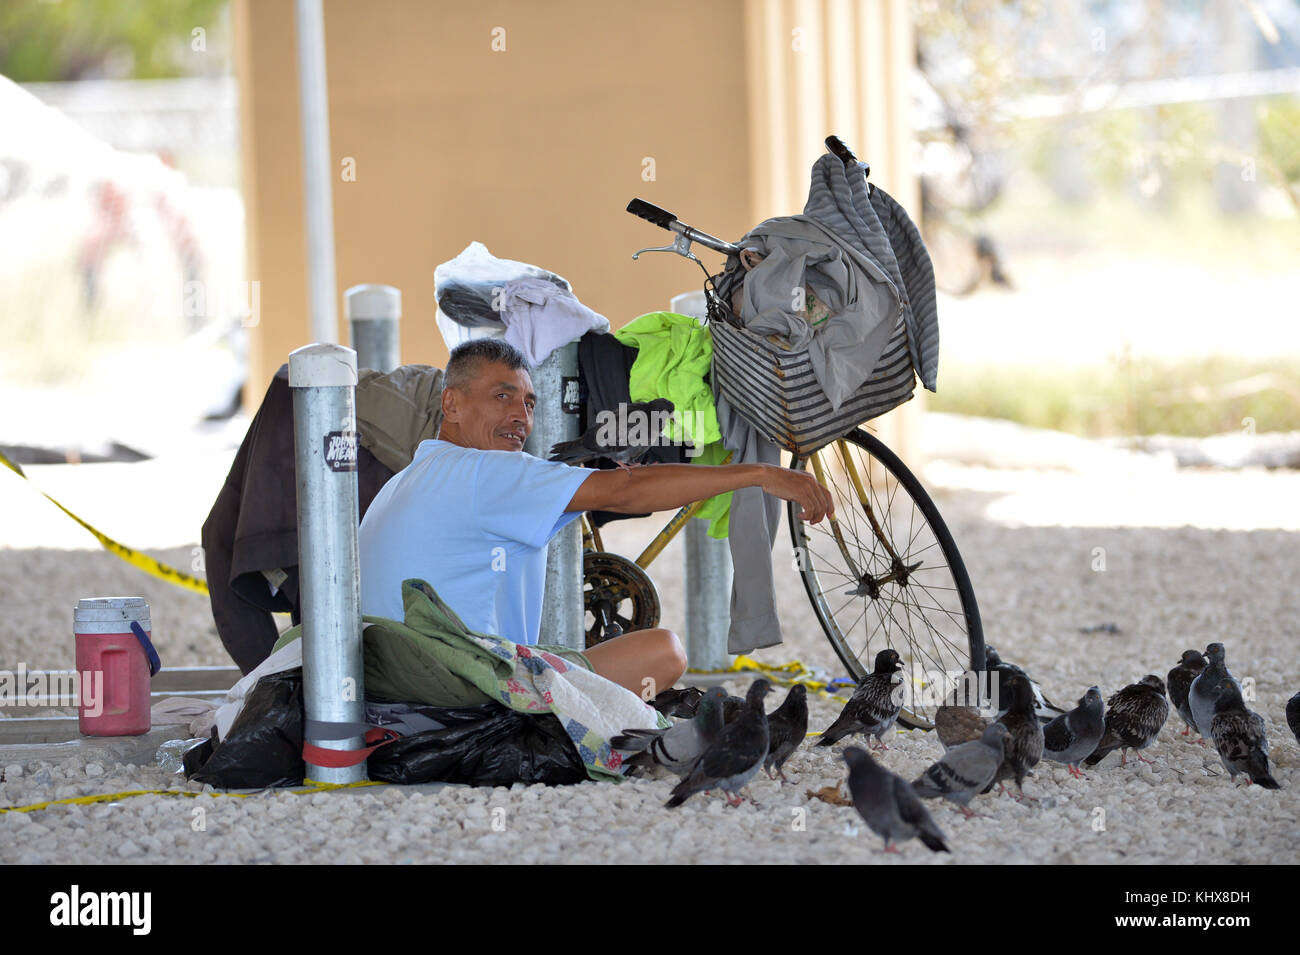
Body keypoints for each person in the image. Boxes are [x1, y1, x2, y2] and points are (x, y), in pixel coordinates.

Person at [358, 339, 834, 697]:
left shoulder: (409, 478)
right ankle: (541, 723)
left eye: (528, 402)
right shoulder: (487, 470)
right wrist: (759, 474)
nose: (521, 415)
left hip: (393, 682)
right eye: (502, 396)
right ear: (451, 403)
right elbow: (624, 491)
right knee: (663, 652)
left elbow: (611, 487)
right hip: (461, 687)